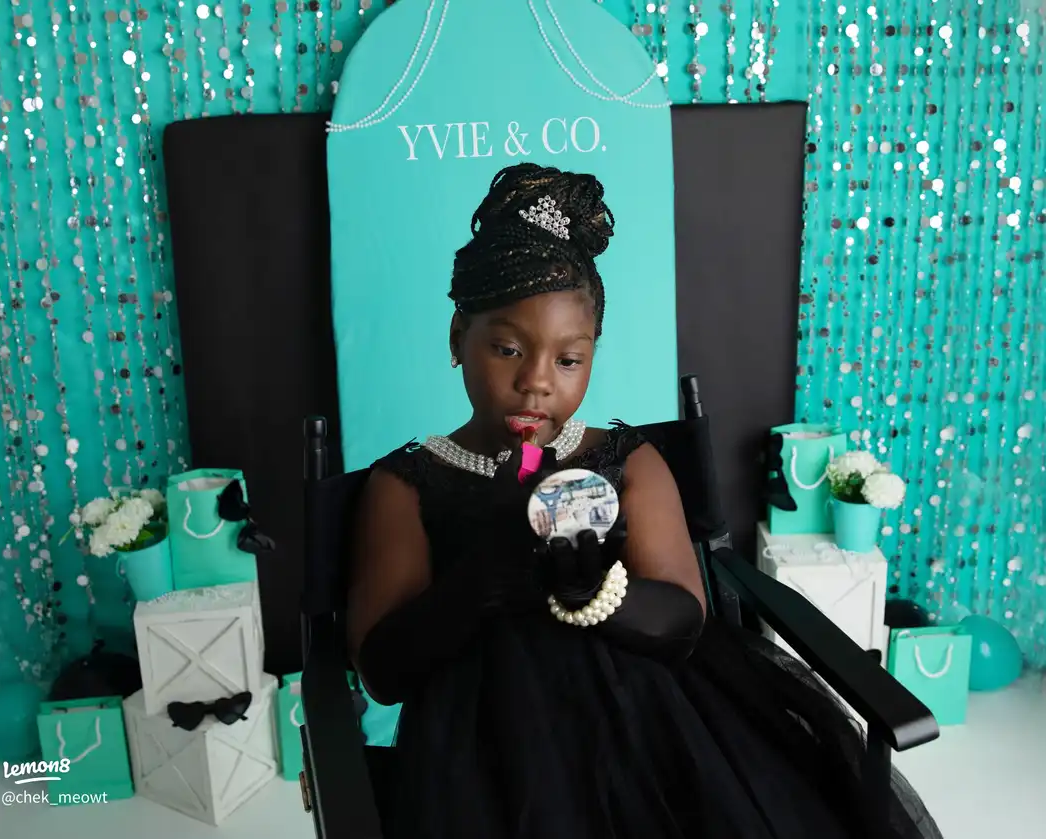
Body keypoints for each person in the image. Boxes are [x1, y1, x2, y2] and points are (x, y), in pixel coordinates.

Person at [345, 163, 943, 839]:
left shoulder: (626, 461)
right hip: (485, 746)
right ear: (459, 337)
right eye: (508, 347)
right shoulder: (405, 483)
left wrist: (598, 591)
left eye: (568, 359)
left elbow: (684, 620)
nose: (536, 382)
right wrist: (480, 580)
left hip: (646, 723)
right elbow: (383, 670)